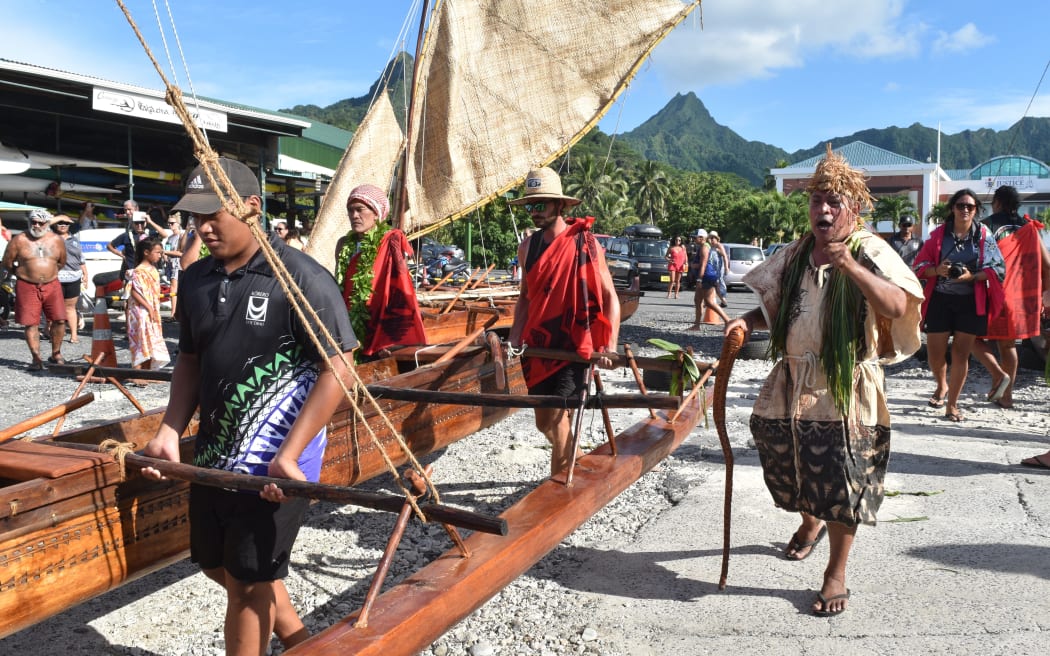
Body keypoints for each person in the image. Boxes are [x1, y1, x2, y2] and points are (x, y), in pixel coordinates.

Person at [139, 157, 358, 656]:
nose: (203, 227)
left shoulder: (301, 278)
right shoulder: (195, 281)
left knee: (245, 584)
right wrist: (170, 430)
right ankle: (300, 638)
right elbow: (190, 359)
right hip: (214, 454)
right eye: (195, 217)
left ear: (252, 207)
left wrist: (291, 452)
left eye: (214, 214)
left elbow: (339, 367)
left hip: (278, 462)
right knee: (218, 564)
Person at [726, 146, 923, 617]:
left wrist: (849, 265)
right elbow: (777, 307)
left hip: (844, 386)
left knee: (842, 479)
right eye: (817, 201)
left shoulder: (870, 250)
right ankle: (808, 521)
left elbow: (897, 306)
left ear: (853, 207)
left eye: (834, 201)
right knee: (786, 458)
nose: (824, 209)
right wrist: (745, 323)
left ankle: (836, 572)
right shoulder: (795, 253)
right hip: (794, 378)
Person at [507, 167, 620, 478]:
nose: (533, 212)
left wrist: (609, 346)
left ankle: (558, 487)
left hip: (574, 344)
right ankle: (576, 455)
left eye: (540, 204)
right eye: (530, 205)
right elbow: (526, 298)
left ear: (560, 205)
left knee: (558, 419)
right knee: (543, 421)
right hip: (539, 345)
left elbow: (610, 297)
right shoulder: (527, 247)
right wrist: (514, 340)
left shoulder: (585, 242)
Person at [912, 188, 1005, 422]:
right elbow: (919, 265)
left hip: (970, 301)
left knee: (961, 354)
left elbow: (998, 269)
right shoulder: (938, 236)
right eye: (960, 205)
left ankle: (952, 404)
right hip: (940, 299)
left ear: (976, 211)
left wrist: (971, 277)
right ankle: (941, 385)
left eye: (970, 206)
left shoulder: (984, 235)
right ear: (952, 208)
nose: (965, 209)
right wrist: (937, 270)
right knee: (935, 354)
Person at [972, 185, 1050, 410]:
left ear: (997, 202)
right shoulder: (1030, 227)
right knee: (1008, 346)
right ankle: (1006, 396)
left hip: (993, 292)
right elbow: (1046, 265)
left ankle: (998, 375)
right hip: (1021, 297)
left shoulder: (986, 226)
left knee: (966, 336)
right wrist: (1045, 296)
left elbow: (977, 258)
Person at [333, 184, 426, 358]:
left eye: (360, 209)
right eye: (350, 210)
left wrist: (388, 336)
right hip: (346, 322)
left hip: (376, 321)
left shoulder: (391, 241)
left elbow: (398, 287)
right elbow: (339, 284)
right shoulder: (343, 244)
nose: (354, 216)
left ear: (376, 213)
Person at [0, 209, 68, 369]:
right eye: (33, 222)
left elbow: (61, 262)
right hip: (27, 285)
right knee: (31, 323)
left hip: (52, 284)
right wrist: (22, 273)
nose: (36, 225)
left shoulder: (56, 240)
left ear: (47, 224)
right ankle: (36, 358)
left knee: (59, 319)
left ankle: (56, 353)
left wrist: (47, 273)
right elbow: (7, 262)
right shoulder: (19, 240)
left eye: (40, 222)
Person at [127, 237, 170, 372]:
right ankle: (138, 371)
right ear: (146, 252)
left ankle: (148, 371)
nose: (160, 255)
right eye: (157, 252)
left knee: (151, 339)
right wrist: (148, 307)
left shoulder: (153, 269)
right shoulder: (138, 271)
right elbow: (134, 291)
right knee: (142, 339)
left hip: (152, 309)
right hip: (141, 310)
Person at [108, 200, 169, 278]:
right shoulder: (127, 235)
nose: (139, 225)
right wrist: (121, 255)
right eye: (137, 223)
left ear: (145, 223)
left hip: (148, 272)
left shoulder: (149, 234)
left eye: (142, 223)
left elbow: (164, 235)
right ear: (133, 223)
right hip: (132, 272)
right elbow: (110, 246)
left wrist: (150, 221)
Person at [51, 214, 87, 343]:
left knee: (70, 308)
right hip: (56, 277)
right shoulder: (50, 238)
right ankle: (54, 334)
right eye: (60, 222)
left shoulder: (75, 239)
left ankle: (74, 335)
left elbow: (81, 259)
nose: (63, 225)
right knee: (55, 307)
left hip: (74, 276)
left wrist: (86, 275)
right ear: (55, 224)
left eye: (66, 223)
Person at [687, 229, 729, 329]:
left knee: (709, 302)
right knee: (697, 300)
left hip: (706, 276)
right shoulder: (702, 247)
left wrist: (699, 279)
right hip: (705, 276)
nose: (693, 239)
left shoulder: (704, 248)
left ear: (701, 238)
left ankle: (728, 320)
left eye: (695, 237)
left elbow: (704, 264)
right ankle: (696, 325)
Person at [162, 212, 185, 318]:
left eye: (172, 223)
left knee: (173, 289)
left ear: (178, 223)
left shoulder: (182, 236)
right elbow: (167, 250)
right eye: (168, 223)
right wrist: (165, 255)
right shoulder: (170, 237)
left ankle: (174, 313)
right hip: (171, 265)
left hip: (178, 265)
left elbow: (181, 253)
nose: (170, 225)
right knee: (176, 289)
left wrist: (165, 253)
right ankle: (176, 312)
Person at [708, 230, 730, 307]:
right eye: (710, 238)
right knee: (713, 284)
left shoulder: (719, 245)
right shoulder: (711, 246)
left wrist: (726, 267)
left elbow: (725, 256)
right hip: (713, 267)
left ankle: (723, 300)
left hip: (719, 267)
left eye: (713, 238)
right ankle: (714, 300)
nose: (711, 239)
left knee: (718, 283)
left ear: (717, 239)